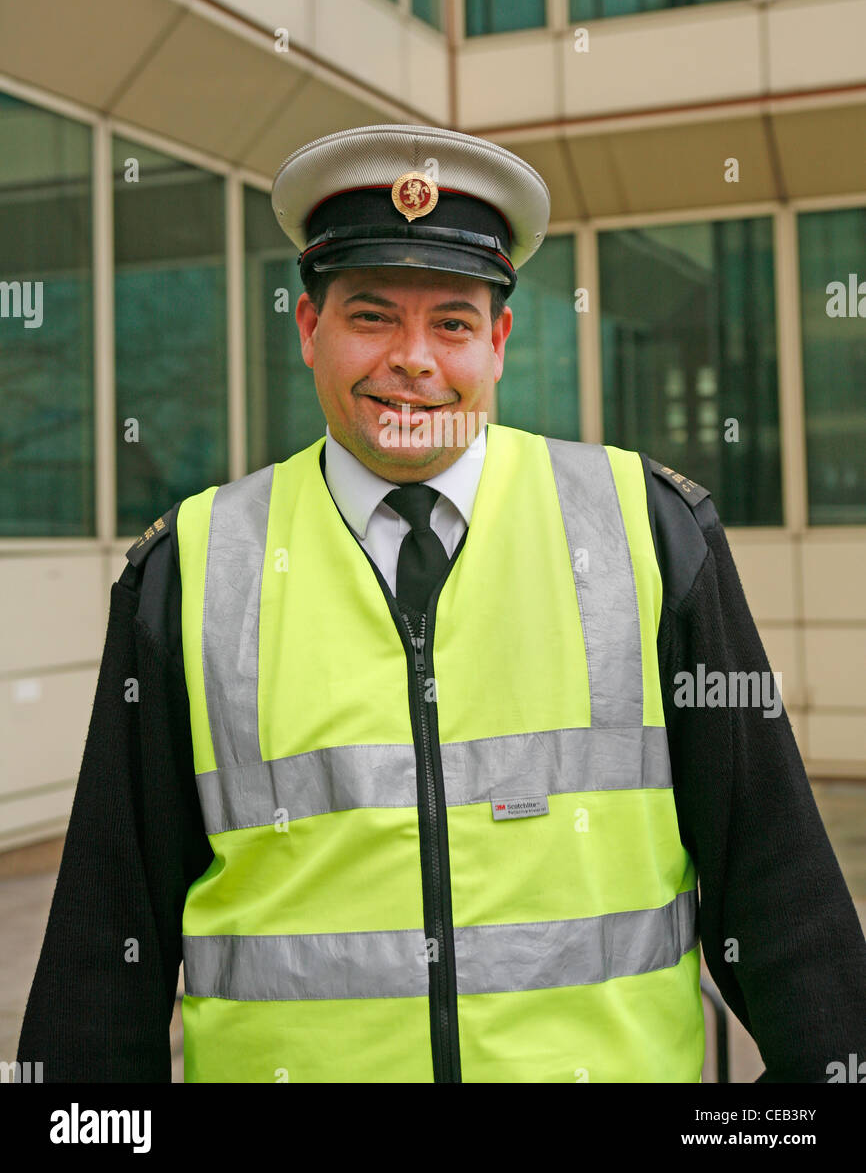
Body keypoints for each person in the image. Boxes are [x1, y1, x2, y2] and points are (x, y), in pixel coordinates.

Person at [17, 124, 866, 1084]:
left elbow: (779, 886)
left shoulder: (651, 533)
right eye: (373, 316)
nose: (414, 361)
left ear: (498, 341)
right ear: (309, 329)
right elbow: (105, 946)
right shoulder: (193, 567)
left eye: (453, 324)